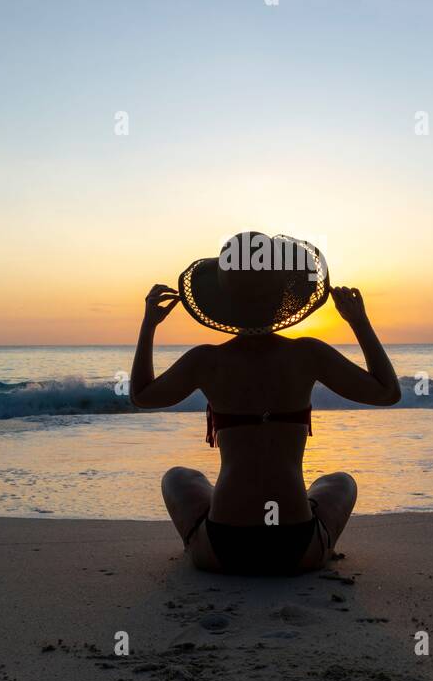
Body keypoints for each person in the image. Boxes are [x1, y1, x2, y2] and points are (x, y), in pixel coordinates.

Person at [131, 232, 401, 575]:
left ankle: (208, 531)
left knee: (179, 478)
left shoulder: (205, 361)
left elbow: (141, 396)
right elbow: (387, 392)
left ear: (224, 300)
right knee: (340, 481)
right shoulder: (307, 354)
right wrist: (359, 322)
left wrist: (148, 325)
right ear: (283, 297)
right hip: (295, 549)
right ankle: (313, 535)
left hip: (223, 549)